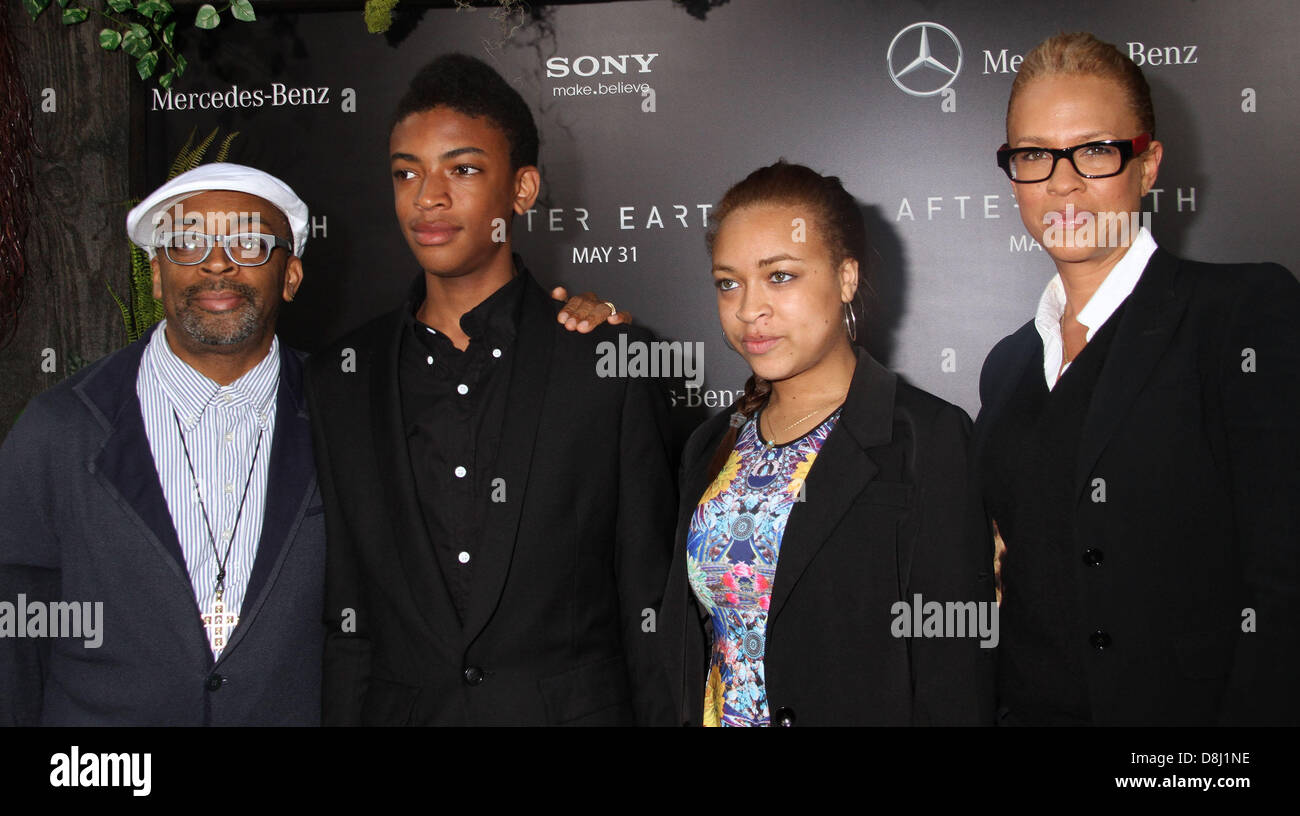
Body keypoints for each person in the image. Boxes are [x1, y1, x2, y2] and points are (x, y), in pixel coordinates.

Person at [306, 53, 676, 725]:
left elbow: (649, 604)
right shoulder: (339, 378)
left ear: (523, 189)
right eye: (406, 173)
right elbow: (347, 623)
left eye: (464, 168)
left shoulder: (610, 365)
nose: (429, 196)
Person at [976, 32, 1300, 725]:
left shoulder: (1240, 315)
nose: (1062, 181)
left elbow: (1282, 584)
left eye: (1094, 150)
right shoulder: (1006, 368)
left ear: (1147, 165)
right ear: (1013, 176)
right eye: (1034, 154)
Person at [654, 161, 994, 726]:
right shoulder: (710, 446)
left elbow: (955, 673)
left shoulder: (924, 439)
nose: (748, 309)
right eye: (728, 282)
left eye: (780, 276)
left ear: (846, 278)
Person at [0, 163, 326, 725]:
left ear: (291, 275)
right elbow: (16, 640)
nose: (217, 263)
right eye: (188, 243)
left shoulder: (345, 416)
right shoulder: (57, 427)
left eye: (248, 242)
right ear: (156, 276)